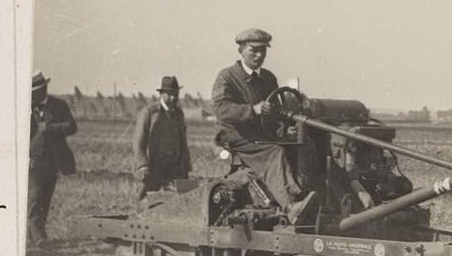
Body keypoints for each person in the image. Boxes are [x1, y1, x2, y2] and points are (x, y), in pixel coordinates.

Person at [210, 28, 316, 220]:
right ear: (241, 50)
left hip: (263, 135)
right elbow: (220, 109)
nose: (259, 55)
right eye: (254, 50)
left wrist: (286, 128)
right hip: (239, 137)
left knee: (305, 145)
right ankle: (290, 206)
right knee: (275, 152)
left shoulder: (268, 78)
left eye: (263, 50)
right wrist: (252, 110)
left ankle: (305, 195)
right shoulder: (227, 77)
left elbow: (276, 111)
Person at [27, 71, 77, 246]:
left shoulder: (60, 106)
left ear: (43, 90)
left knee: (46, 198)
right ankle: (37, 237)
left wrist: (50, 128)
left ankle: (38, 234)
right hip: (33, 161)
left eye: (35, 91)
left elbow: (71, 126)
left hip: (54, 161)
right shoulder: (26, 107)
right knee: (35, 198)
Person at [132, 76, 192, 200]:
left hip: (174, 165)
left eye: (176, 94)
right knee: (143, 198)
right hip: (153, 165)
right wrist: (142, 165)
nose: (173, 97)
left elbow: (183, 140)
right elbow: (138, 142)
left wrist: (186, 162)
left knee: (179, 200)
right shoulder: (149, 112)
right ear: (161, 94)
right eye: (170, 94)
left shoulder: (178, 113)